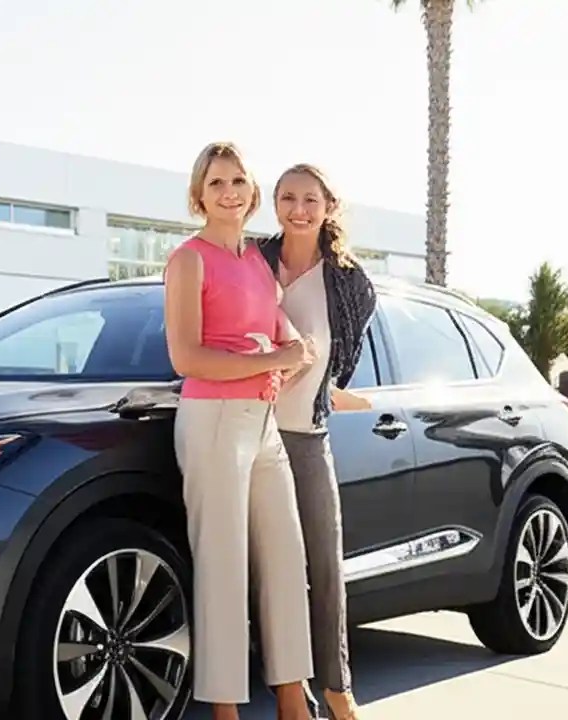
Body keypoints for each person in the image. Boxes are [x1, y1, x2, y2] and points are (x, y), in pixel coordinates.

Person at [163, 141, 318, 720]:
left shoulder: (256, 262)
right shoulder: (189, 260)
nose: (229, 192)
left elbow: (294, 345)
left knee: (285, 558)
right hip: (213, 421)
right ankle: (224, 708)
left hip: (263, 424)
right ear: (199, 195)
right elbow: (186, 357)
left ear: (253, 193)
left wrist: (283, 355)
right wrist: (268, 360)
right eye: (216, 183)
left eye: (238, 182)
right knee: (222, 562)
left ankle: (291, 700)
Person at [258, 163, 377, 720]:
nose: (297, 209)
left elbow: (339, 366)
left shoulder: (349, 283)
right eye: (287, 197)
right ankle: (289, 689)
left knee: (324, 567)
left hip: (304, 435)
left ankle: (336, 686)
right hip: (243, 431)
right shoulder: (251, 260)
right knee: (264, 568)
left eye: (309, 199)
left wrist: (328, 392)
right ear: (274, 203)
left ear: (329, 206)